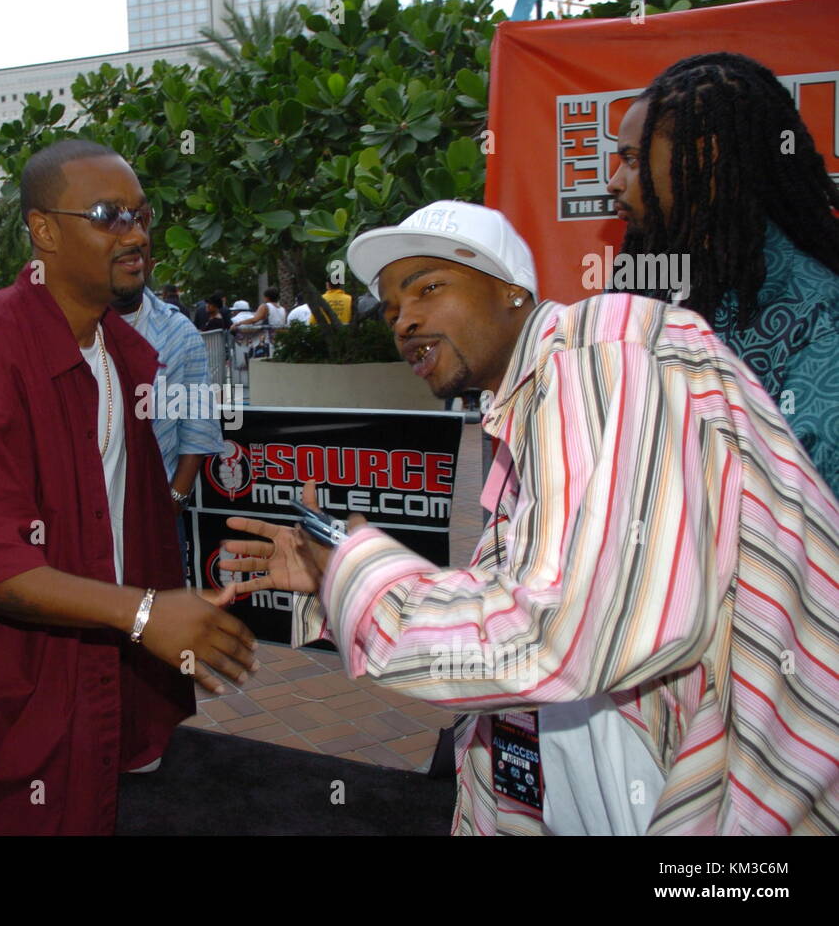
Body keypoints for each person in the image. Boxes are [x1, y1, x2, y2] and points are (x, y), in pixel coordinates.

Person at [223, 199, 839, 835]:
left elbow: (568, 634)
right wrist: (335, 581)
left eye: (427, 287)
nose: (403, 320)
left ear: (511, 292)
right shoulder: (531, 403)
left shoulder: (601, 348)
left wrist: (358, 577)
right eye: (391, 306)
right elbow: (525, 609)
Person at [0, 138, 256, 835]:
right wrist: (145, 613)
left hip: (80, 675)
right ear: (45, 231)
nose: (138, 234)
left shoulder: (122, 353)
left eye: (141, 214)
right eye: (108, 215)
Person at [607, 51, 839, 499]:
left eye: (633, 160)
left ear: (705, 157)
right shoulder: (644, 291)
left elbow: (805, 511)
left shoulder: (818, 318)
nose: (614, 182)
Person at [112, 276, 224, 581]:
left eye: (137, 250)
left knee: (160, 619)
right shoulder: (70, 322)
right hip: (78, 518)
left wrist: (173, 501)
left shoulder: (179, 331)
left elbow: (198, 426)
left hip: (155, 516)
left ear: (149, 264)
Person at [231, 288, 286, 358]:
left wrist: (239, 323)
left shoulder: (265, 306)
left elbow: (255, 319)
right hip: (278, 340)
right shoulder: (282, 309)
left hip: (266, 340)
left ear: (267, 297)